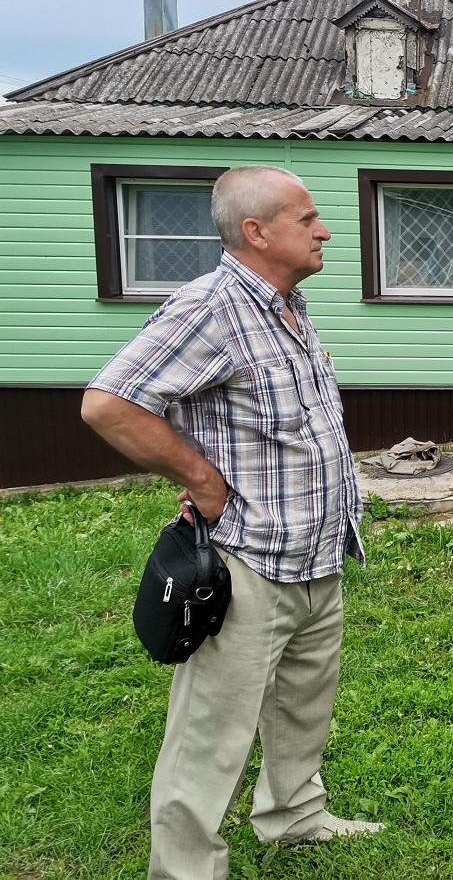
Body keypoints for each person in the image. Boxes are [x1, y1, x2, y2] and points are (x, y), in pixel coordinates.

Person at [82, 165, 379, 880]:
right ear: (257, 231)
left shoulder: (286, 303)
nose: (324, 230)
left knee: (305, 704)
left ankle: (294, 815)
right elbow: (108, 403)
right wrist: (200, 479)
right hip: (248, 562)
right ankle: (184, 869)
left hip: (316, 553)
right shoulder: (208, 307)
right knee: (210, 734)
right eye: (308, 219)